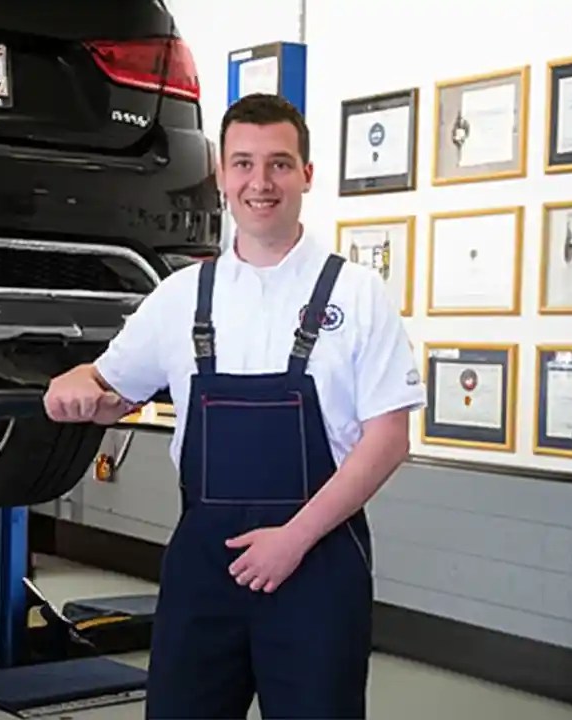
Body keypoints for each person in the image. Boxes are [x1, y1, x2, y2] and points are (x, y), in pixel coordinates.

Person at [42, 93, 426, 719]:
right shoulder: (181, 297)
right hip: (204, 570)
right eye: (244, 163)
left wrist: (293, 539)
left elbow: (389, 439)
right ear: (221, 175)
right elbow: (109, 389)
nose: (260, 182)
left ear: (307, 174)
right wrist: (75, 383)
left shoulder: (357, 295)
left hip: (316, 565)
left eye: (279, 164)